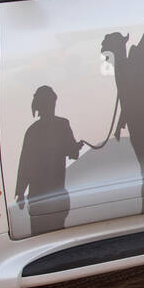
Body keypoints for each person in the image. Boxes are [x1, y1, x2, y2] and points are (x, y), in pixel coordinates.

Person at [14, 85, 85, 235]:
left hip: (39, 197)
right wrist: (76, 147)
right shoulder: (62, 125)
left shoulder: (32, 131)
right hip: (55, 195)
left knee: (39, 235)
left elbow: (24, 163)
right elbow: (72, 152)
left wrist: (20, 191)